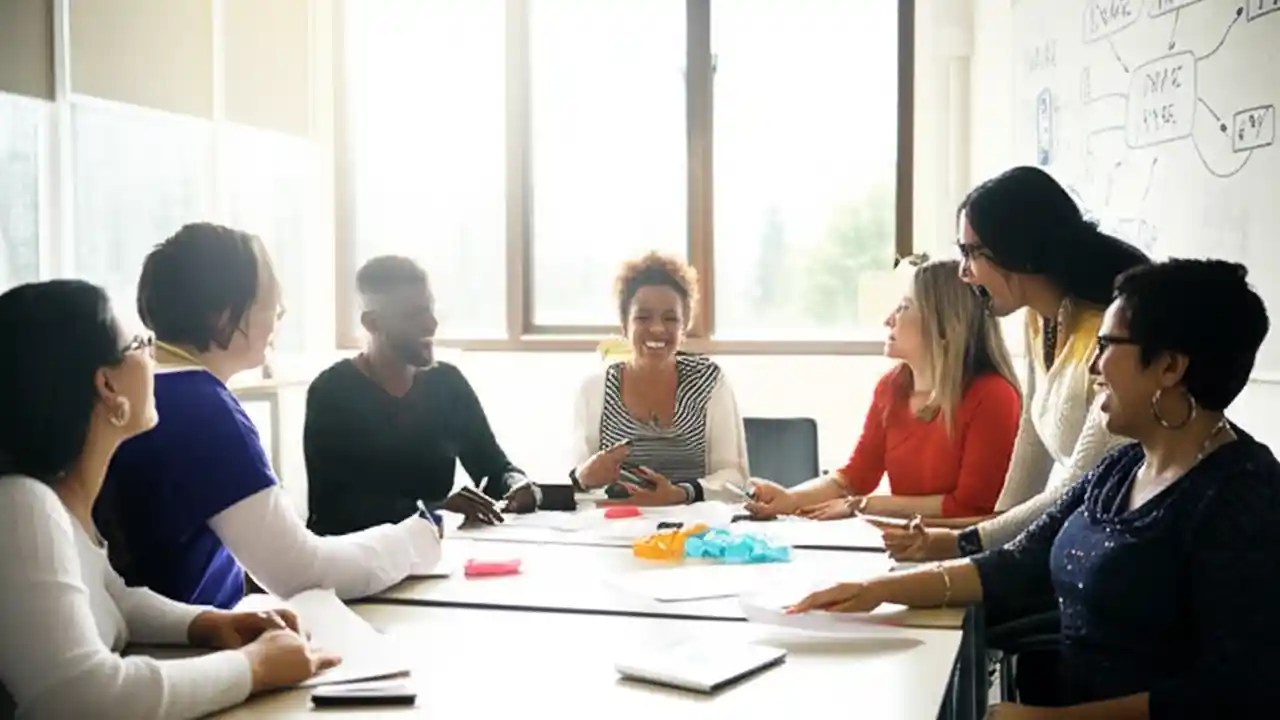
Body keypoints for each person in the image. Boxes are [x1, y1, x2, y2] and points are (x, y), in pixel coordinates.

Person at [789, 260, 1280, 717]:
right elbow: (1017, 562)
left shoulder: (1242, 494)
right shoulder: (1122, 468)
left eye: (1106, 346)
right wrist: (875, 590)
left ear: (1170, 367)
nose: (1093, 367)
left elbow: (1233, 690)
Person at [0, 280, 338, 719]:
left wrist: (210, 624)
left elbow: (112, 600)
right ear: (107, 386)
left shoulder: (51, 504)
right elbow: (77, 697)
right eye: (140, 345)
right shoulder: (21, 506)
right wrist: (253, 667)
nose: (153, 357)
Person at [97, 223, 441, 610]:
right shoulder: (200, 406)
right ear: (225, 315)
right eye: (270, 302)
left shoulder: (148, 385)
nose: (281, 314)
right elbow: (301, 573)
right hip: (179, 643)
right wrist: (416, 538)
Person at [882, 166, 1148, 561]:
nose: (963, 273)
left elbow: (1075, 488)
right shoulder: (1038, 319)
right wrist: (983, 532)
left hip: (1114, 553)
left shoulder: (1107, 341)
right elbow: (1032, 442)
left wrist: (966, 542)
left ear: (1019, 253)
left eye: (971, 253)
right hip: (1075, 538)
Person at [747, 258, 1021, 521]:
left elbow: (970, 507)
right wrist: (790, 499)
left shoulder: (993, 396)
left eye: (904, 307)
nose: (889, 319)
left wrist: (864, 506)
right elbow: (854, 478)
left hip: (963, 554)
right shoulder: (892, 388)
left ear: (944, 327)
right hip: (909, 544)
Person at [304, 256, 538, 536]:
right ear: (372, 323)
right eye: (413, 315)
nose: (431, 325)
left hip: (427, 559)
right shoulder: (333, 392)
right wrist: (432, 508)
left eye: (429, 310)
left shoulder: (447, 384)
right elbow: (331, 510)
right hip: (354, 565)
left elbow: (492, 467)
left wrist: (517, 484)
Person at [571, 252, 748, 505]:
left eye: (670, 318)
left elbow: (734, 477)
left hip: (692, 530)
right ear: (624, 324)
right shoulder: (594, 390)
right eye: (643, 317)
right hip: (615, 526)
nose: (657, 328)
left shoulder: (710, 382)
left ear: (684, 326)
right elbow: (574, 479)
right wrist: (585, 476)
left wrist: (681, 493)